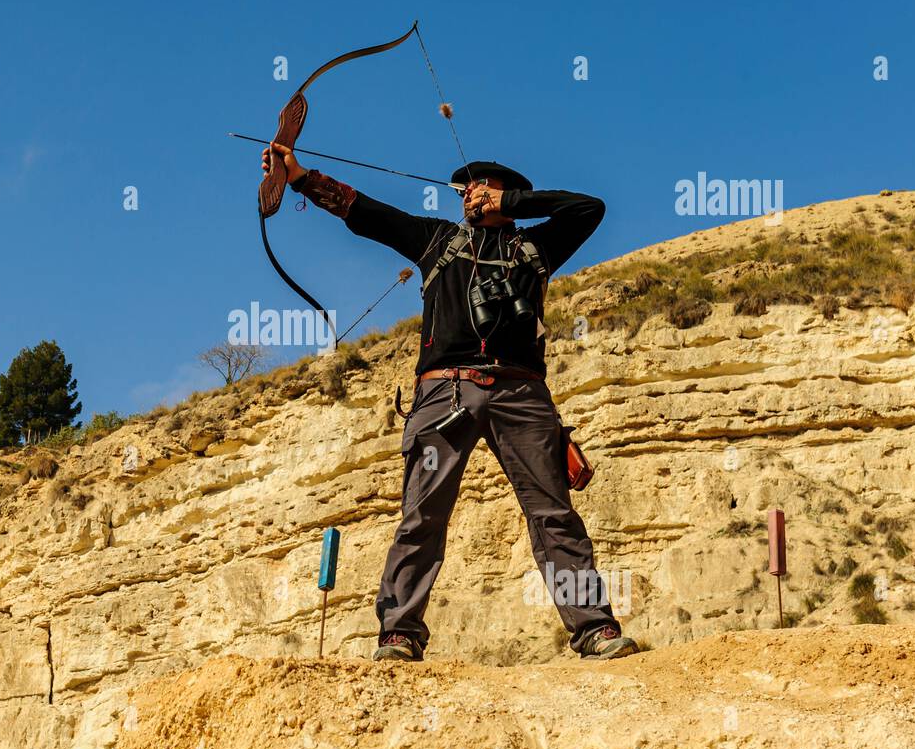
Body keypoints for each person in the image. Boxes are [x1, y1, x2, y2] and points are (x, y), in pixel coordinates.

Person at [262, 143, 639, 661]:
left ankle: (594, 628)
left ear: (503, 191)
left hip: (522, 392)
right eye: (465, 189)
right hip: (444, 390)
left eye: (480, 187)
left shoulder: (536, 248)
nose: (468, 195)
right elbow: (367, 213)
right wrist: (301, 177)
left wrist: (514, 202)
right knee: (422, 515)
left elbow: (589, 208)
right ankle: (399, 632)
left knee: (554, 515)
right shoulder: (437, 240)